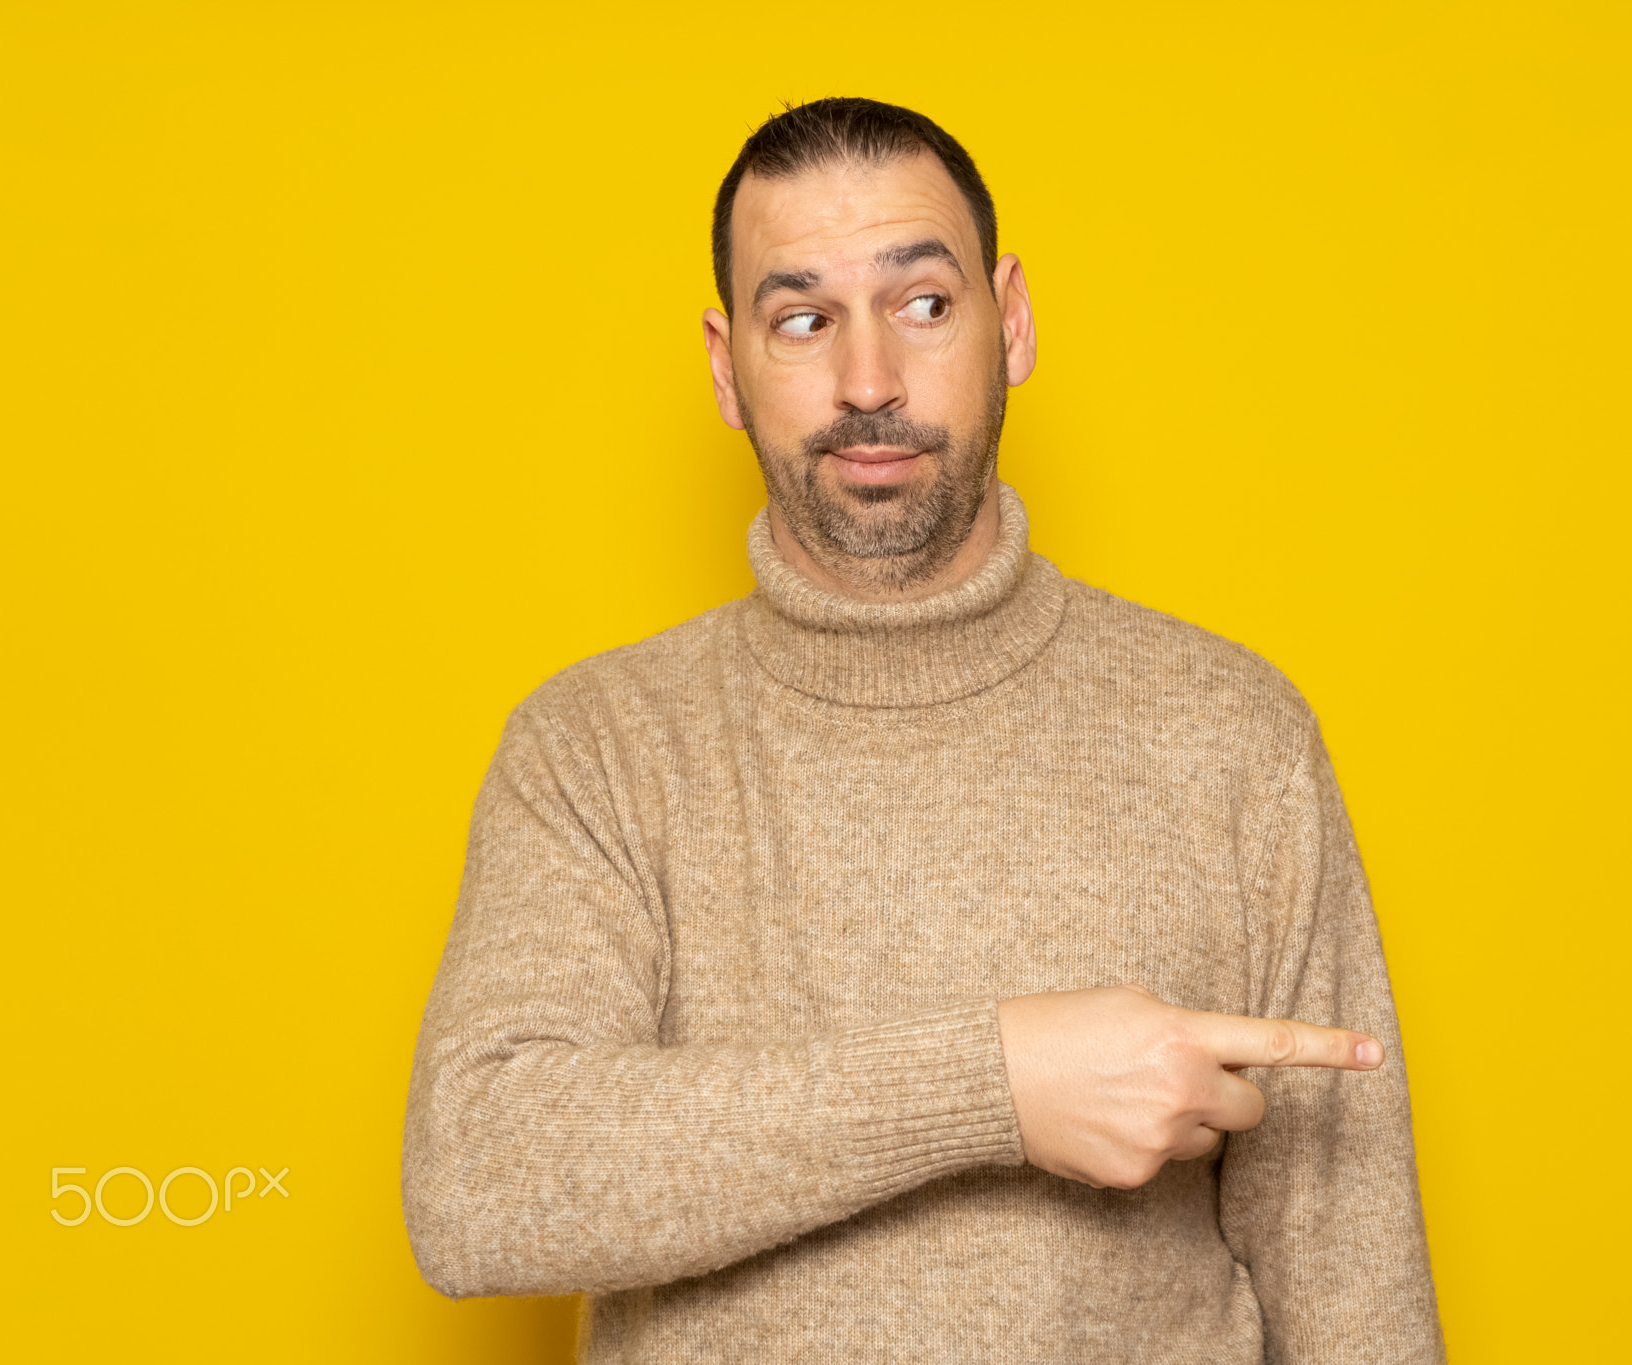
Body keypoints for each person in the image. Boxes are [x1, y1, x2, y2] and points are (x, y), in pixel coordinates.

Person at [403, 97, 1444, 1363]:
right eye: (803, 320)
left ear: (1009, 320)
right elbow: (479, 1186)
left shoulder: (1229, 733)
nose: (868, 383)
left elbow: (1350, 1277)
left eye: (923, 304)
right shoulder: (597, 748)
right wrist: (993, 1086)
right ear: (727, 367)